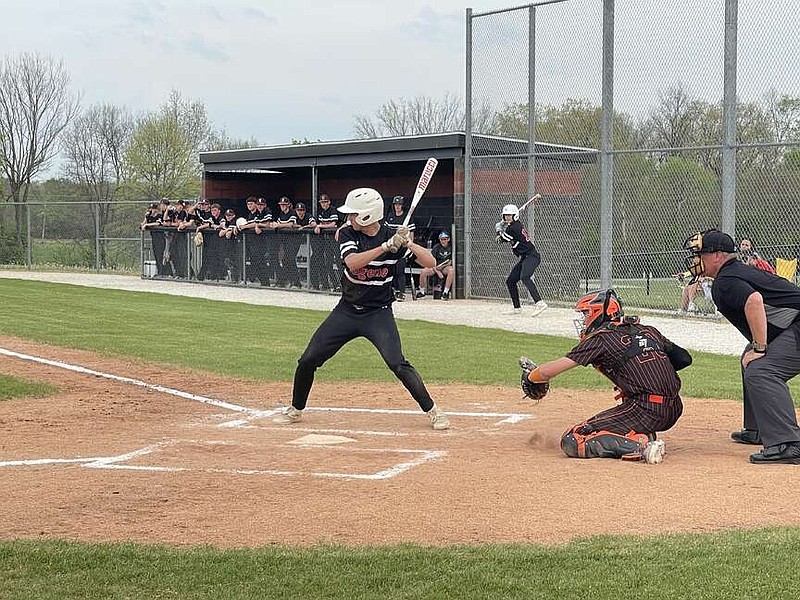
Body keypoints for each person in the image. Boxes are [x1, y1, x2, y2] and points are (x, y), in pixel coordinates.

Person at [273, 187, 450, 430]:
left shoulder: (393, 235)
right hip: (347, 311)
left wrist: (408, 242)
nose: (349, 218)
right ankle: (295, 408)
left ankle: (433, 411)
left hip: (378, 313)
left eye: (354, 214)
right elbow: (353, 263)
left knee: (397, 363)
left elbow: (431, 263)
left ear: (368, 216)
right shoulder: (347, 233)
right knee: (308, 359)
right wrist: (385, 247)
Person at [521, 289, 692, 463]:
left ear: (599, 313)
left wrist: (531, 377)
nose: (584, 320)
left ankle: (642, 446)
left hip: (646, 410)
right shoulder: (647, 330)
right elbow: (684, 359)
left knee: (574, 439)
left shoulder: (600, 338)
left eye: (586, 313)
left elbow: (547, 372)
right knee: (630, 404)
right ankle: (640, 435)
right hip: (674, 408)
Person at [683, 229, 800, 464]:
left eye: (700, 254)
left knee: (762, 369)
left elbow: (753, 301)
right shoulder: (734, 272)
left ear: (717, 255)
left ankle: (788, 443)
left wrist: (760, 347)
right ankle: (758, 429)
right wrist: (756, 349)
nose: (695, 260)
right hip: (794, 323)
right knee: (750, 358)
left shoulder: (725, 280)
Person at [495, 203, 547, 316]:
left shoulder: (514, 228)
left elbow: (500, 240)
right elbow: (507, 235)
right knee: (511, 281)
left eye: (510, 215)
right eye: (506, 215)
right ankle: (517, 308)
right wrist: (504, 228)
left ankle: (540, 303)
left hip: (532, 256)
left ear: (515, 215)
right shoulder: (514, 225)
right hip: (525, 257)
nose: (507, 217)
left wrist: (499, 230)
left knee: (525, 277)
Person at [385, 195, 415, 302]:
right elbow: (386, 232)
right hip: (392, 247)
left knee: (400, 271)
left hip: (402, 248)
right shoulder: (390, 216)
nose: (397, 207)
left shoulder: (407, 218)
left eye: (399, 205)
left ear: (402, 206)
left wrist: (410, 247)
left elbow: (411, 234)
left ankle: (401, 292)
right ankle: (393, 291)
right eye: (396, 204)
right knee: (390, 270)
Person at [310, 194, 341, 291]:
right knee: (328, 264)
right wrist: (321, 225)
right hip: (327, 241)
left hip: (335, 240)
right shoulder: (322, 212)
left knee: (340, 264)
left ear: (329, 202)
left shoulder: (333, 210)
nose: (323, 204)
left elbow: (333, 224)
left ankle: (343, 285)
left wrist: (320, 226)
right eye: (322, 202)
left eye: (325, 202)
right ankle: (336, 285)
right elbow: (322, 223)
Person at [417, 230, 454, 300]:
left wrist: (442, 267)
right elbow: (431, 261)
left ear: (448, 239)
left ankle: (445, 292)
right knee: (423, 272)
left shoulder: (451, 247)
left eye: (445, 239)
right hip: (435, 267)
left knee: (451, 270)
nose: (443, 241)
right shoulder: (436, 247)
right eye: (441, 239)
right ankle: (422, 292)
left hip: (444, 267)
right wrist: (437, 271)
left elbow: (450, 262)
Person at [273, 196, 301, 287]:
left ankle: (296, 283)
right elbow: (277, 223)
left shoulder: (292, 212)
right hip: (285, 240)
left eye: (284, 204)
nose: (282, 206)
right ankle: (287, 280)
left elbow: (291, 224)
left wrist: (279, 225)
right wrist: (277, 224)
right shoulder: (281, 213)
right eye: (281, 204)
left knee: (290, 259)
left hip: (294, 240)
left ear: (288, 205)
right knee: (285, 260)